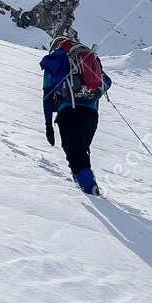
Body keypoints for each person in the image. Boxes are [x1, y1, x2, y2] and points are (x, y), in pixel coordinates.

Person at [41, 36, 110, 195]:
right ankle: (85, 187)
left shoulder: (55, 59)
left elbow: (47, 95)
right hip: (91, 115)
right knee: (79, 154)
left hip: (68, 113)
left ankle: (90, 193)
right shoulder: (87, 57)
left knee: (76, 156)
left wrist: (48, 125)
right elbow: (106, 82)